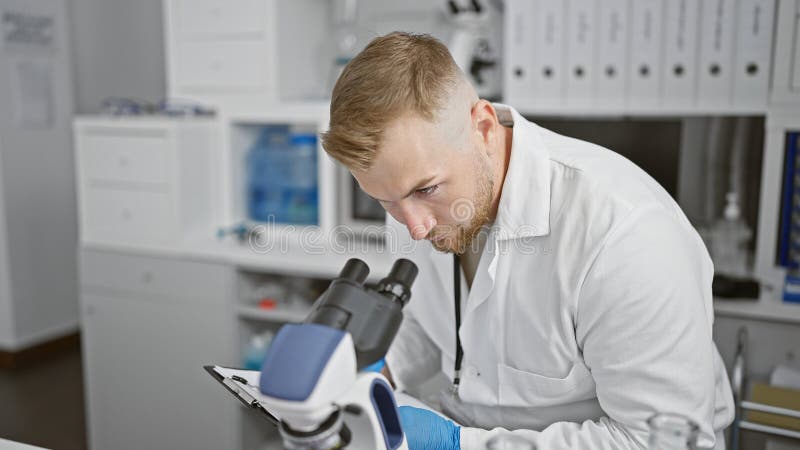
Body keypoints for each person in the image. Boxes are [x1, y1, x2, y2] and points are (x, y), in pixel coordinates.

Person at [321, 32, 734, 450]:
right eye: (384, 201)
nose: (414, 228)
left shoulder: (624, 236)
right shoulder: (411, 198)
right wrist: (375, 366)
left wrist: (457, 443)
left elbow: (658, 443)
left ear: (482, 127)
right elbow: (440, 324)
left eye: (426, 190)